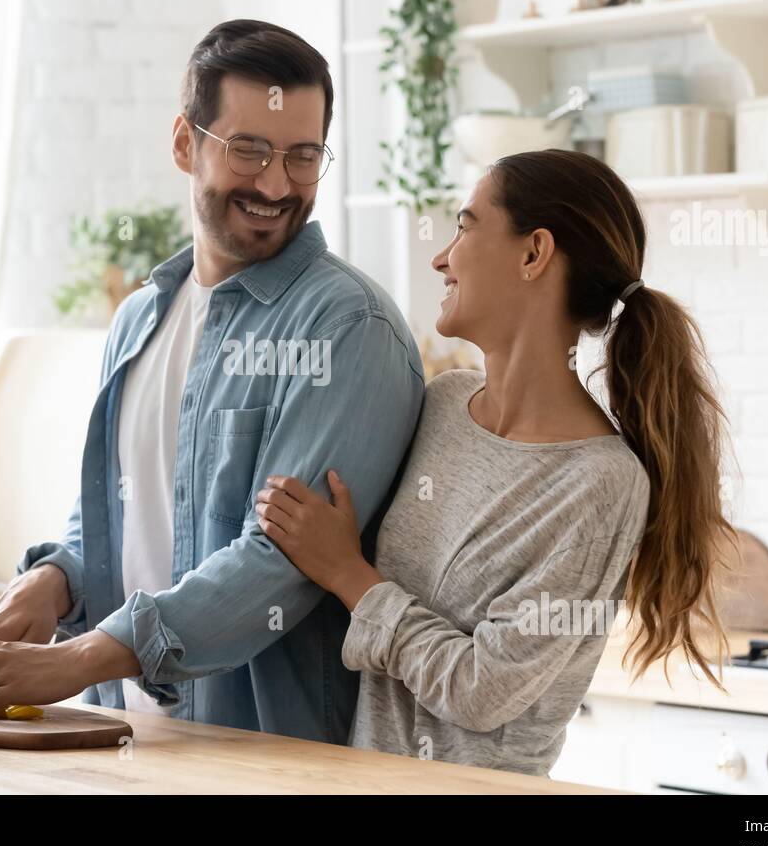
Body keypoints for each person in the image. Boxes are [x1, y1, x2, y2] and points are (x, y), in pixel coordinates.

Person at [0, 19, 425, 743]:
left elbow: (279, 562)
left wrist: (79, 657)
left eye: (303, 155)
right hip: (117, 737)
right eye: (249, 150)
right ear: (185, 143)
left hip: (265, 758)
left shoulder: (346, 328)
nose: (276, 184)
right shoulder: (139, 319)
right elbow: (119, 516)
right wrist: (58, 579)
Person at [255, 149, 733, 775]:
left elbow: (483, 691)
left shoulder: (599, 483)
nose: (441, 256)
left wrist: (349, 574)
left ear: (534, 254)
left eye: (465, 225)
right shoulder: (443, 403)